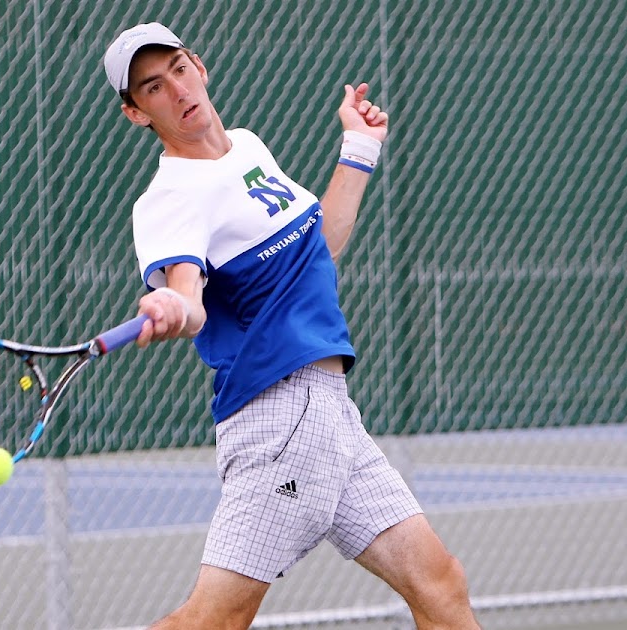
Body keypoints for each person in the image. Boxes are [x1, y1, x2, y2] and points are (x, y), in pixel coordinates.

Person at [103, 22, 481, 630]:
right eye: (152, 87)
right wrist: (173, 308)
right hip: (280, 417)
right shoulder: (169, 200)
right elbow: (189, 300)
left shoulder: (249, 148)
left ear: (199, 65)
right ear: (136, 113)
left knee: (440, 583)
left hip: (332, 414)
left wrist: (358, 148)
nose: (175, 89)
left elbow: (318, 256)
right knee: (213, 620)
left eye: (177, 68)